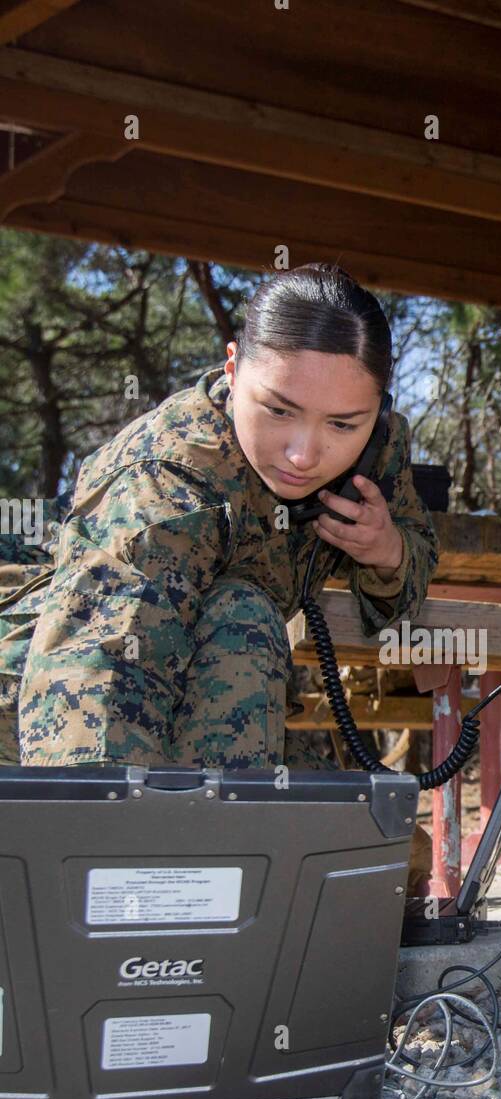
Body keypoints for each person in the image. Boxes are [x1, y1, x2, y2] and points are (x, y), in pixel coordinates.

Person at [0, 263, 437, 882]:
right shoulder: (162, 486)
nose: (304, 454)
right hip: (43, 724)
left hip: (221, 690)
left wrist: (388, 551)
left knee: (383, 866)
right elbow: (99, 675)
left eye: (342, 424)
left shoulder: (377, 447)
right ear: (233, 371)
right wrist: (97, 871)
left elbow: (410, 571)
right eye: (279, 410)